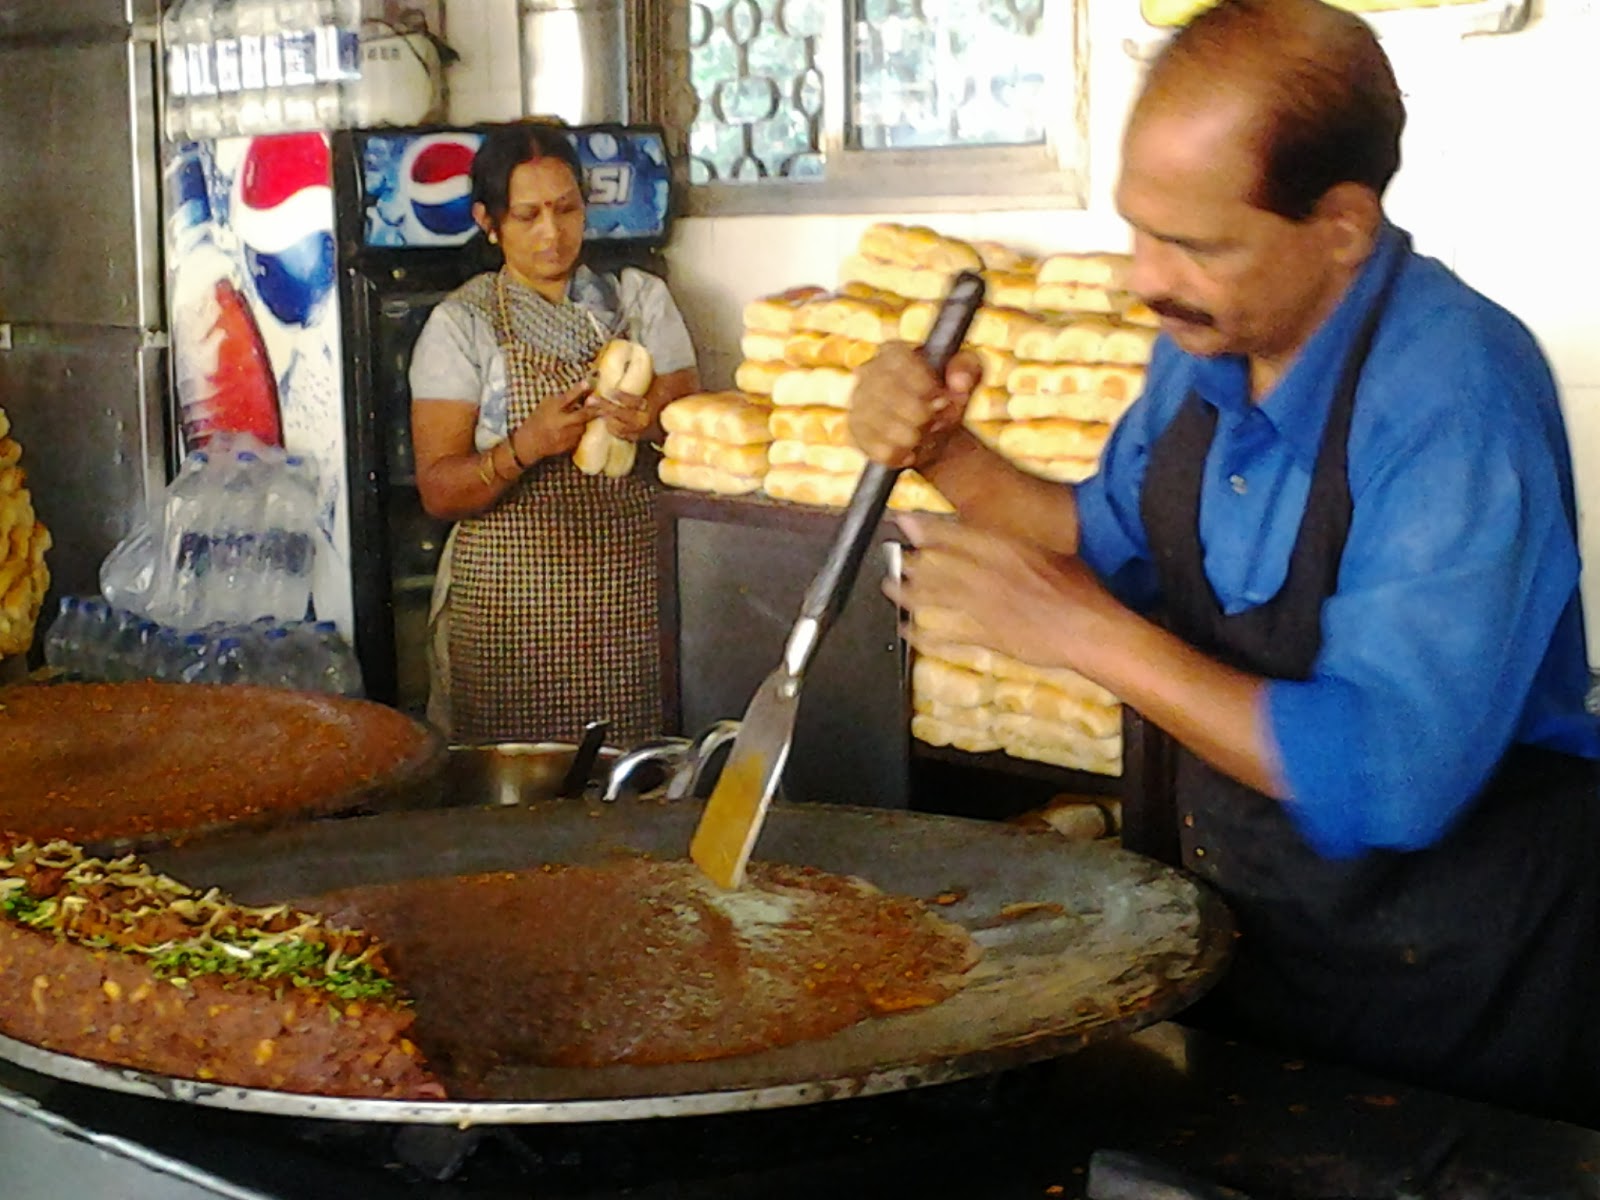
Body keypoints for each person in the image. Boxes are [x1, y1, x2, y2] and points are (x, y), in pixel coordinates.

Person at [851, 0, 1600, 1119]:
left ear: (1341, 224)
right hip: (1251, 942)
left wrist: (1077, 634)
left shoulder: (1455, 398)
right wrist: (943, 449)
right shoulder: (1204, 347)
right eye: (1139, 230)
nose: (1142, 279)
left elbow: (1386, 775)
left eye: (1196, 244)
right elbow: (1102, 540)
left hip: (1454, 999)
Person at [409, 123, 700, 745]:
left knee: (632, 790)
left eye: (566, 210)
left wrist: (650, 424)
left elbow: (697, 435)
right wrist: (527, 446)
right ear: (489, 221)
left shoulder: (639, 302)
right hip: (510, 615)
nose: (552, 232)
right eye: (528, 215)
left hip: (632, 602)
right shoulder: (462, 324)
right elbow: (438, 489)